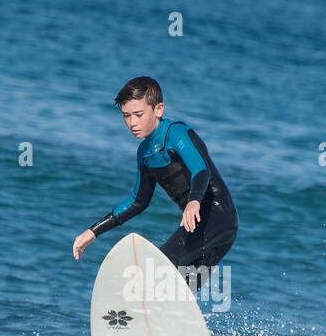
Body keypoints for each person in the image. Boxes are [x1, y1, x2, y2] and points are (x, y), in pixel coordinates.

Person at [73, 76, 237, 292]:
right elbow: (138, 201)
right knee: (177, 294)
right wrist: (93, 231)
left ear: (158, 109)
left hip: (216, 217)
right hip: (203, 225)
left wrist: (193, 201)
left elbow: (201, 168)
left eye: (139, 115)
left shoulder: (175, 132)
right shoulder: (144, 153)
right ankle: (176, 326)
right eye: (126, 116)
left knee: (159, 269)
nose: (132, 123)